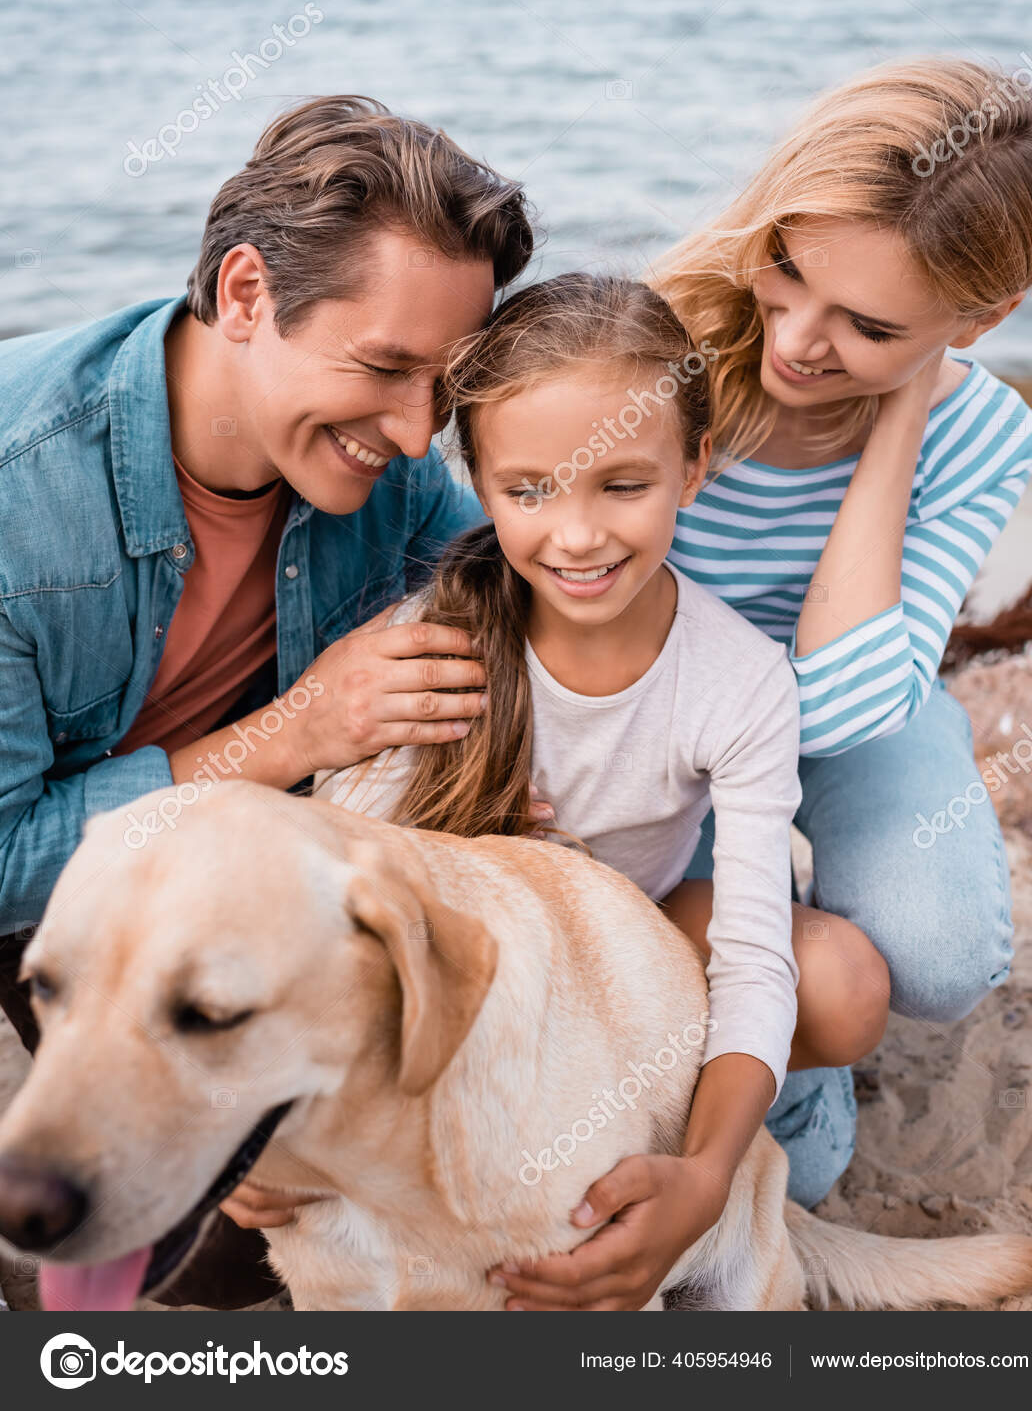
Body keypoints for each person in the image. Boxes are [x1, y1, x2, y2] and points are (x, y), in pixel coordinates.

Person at [224, 273, 890, 1312]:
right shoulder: (432, 644)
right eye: (530, 489)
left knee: (836, 980)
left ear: (694, 466)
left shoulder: (744, 679)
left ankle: (759, 1130)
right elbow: (320, 911)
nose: (576, 536)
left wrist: (705, 1179)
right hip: (472, 982)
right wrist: (255, 1117)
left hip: (633, 968)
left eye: (622, 483)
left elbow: (755, 957)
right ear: (480, 482)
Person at [0, 92, 533, 1303]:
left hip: (208, 908)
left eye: (445, 386)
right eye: (386, 368)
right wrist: (302, 728)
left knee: (269, 1233)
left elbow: (549, 621)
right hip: (44, 888)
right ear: (245, 294)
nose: (413, 434)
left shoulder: (384, 470)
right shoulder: (18, 501)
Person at [651, 57, 1032, 1207]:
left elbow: (839, 706)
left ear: (980, 319)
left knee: (934, 956)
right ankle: (803, 991)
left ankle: (818, 1003)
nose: (795, 340)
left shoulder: (980, 435)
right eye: (786, 269)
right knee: (810, 1167)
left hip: (856, 697)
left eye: (870, 323)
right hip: (660, 711)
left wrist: (899, 423)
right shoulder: (657, 352)